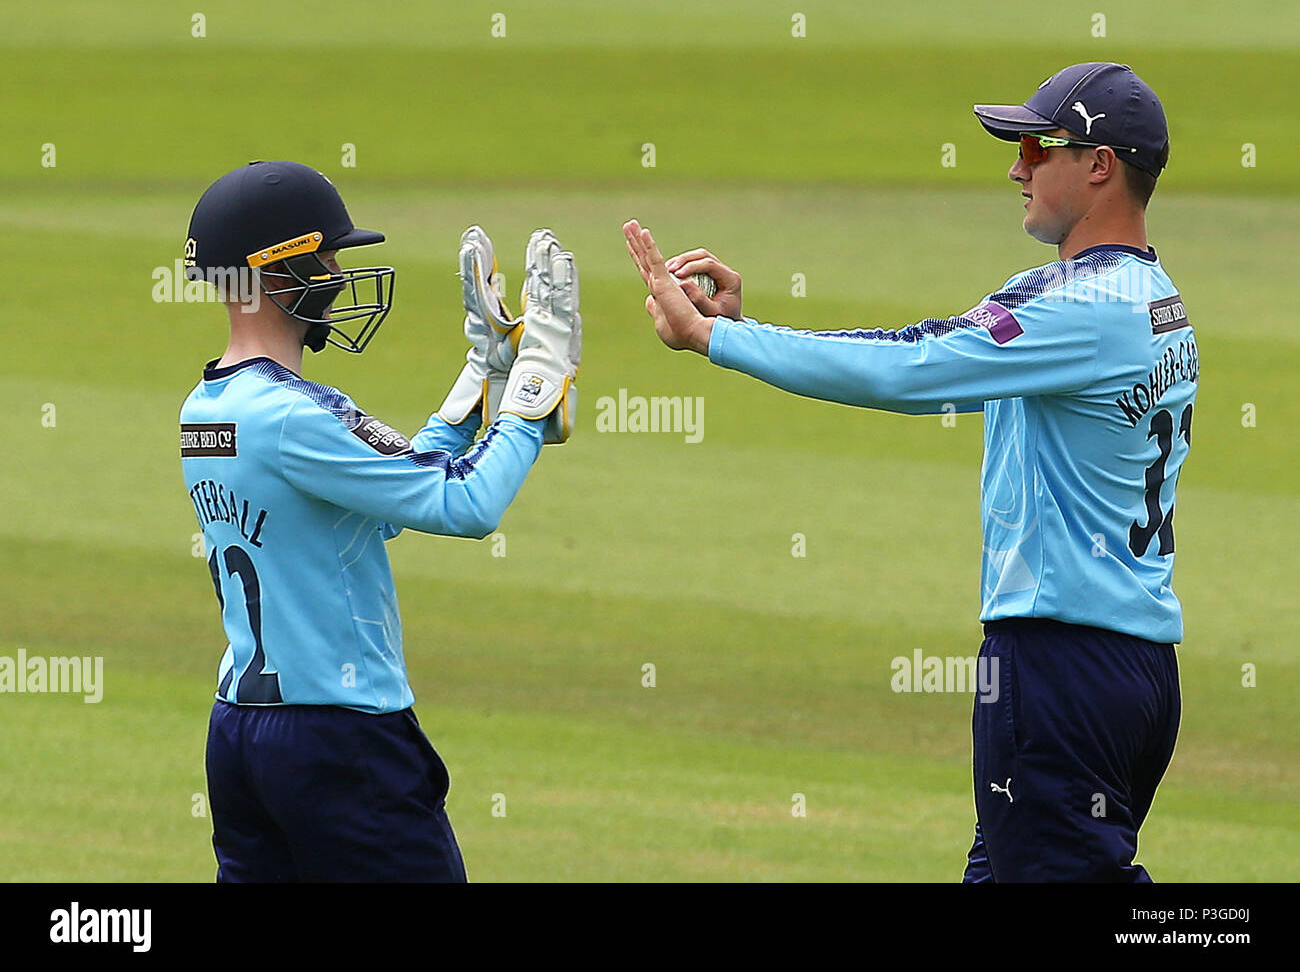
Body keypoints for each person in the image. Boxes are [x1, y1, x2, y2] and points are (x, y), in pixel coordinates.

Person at [623, 62, 1193, 883]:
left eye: (1036, 146)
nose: (1016, 167)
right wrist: (755, 328)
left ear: (1098, 163)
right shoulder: (1147, 297)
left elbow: (916, 373)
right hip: (1126, 670)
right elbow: (920, 342)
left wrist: (719, 343)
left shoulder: (1084, 312)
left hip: (1061, 666)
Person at [180, 160, 580, 881]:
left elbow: (373, 505)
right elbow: (466, 505)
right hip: (341, 742)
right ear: (278, 272)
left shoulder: (207, 411)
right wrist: (534, 387)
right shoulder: (295, 415)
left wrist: (479, 379)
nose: (337, 274)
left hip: (240, 735)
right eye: (328, 256)